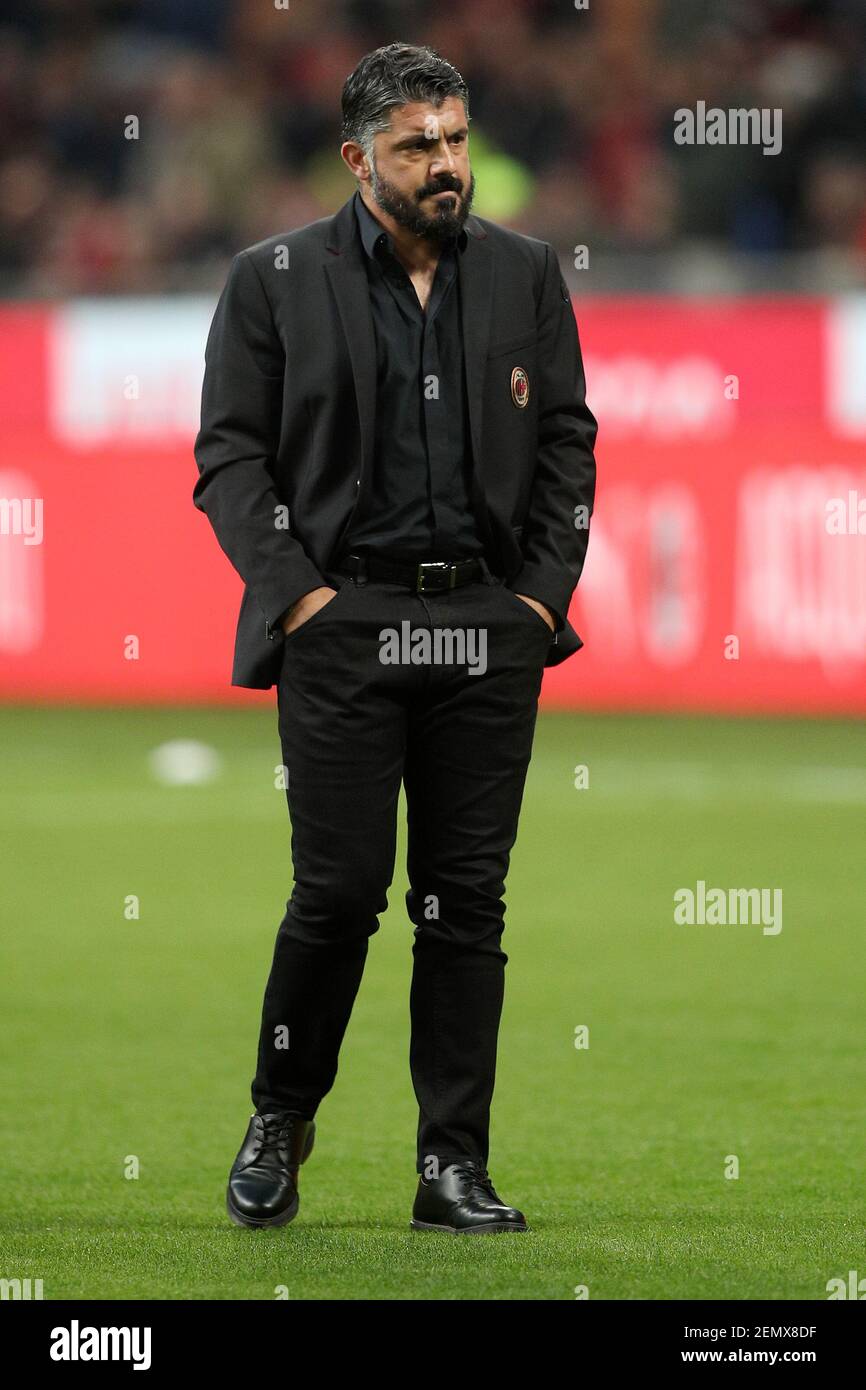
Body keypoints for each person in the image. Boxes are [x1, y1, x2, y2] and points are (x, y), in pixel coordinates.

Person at [193, 42, 597, 1234]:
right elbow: (229, 458)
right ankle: (279, 1113)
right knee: (338, 891)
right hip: (344, 619)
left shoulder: (526, 275)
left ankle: (450, 1167)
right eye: (417, 144)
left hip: (485, 622)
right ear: (356, 156)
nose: (445, 165)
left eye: (456, 140)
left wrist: (534, 600)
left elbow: (570, 443)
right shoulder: (271, 280)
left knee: (466, 902)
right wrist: (300, 598)